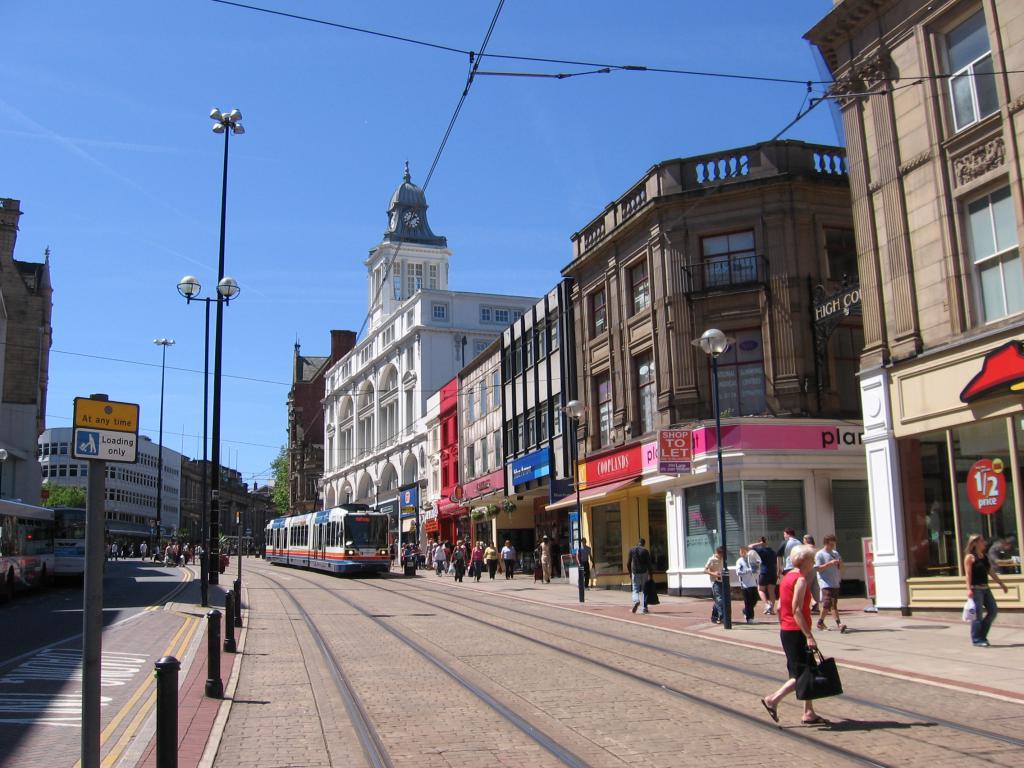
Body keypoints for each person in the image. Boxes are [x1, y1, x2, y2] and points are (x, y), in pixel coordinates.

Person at [760, 544, 828, 726]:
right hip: (797, 631)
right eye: (812, 559)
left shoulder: (787, 578)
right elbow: (796, 609)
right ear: (805, 561)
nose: (813, 563)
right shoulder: (801, 580)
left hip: (787, 630)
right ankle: (772, 700)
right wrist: (809, 635)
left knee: (806, 671)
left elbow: (781, 607)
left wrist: (784, 624)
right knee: (802, 674)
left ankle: (809, 712)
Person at [965, 534, 1008, 647]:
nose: (984, 543)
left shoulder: (984, 557)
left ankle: (982, 636)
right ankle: (977, 639)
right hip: (976, 589)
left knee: (993, 611)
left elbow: (991, 572)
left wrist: (1001, 584)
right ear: (975, 543)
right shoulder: (970, 557)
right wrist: (968, 589)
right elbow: (968, 574)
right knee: (977, 616)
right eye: (982, 541)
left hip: (986, 588)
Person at [815, 535, 846, 633]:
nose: (833, 546)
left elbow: (842, 568)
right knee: (828, 602)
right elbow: (818, 568)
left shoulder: (836, 553)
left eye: (834, 544)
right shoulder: (820, 554)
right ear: (826, 543)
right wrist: (830, 563)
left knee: (832, 604)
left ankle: (820, 622)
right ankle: (839, 624)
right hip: (825, 582)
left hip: (835, 582)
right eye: (831, 544)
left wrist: (840, 564)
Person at [751, 536, 777, 615]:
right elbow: (776, 563)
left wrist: (759, 544)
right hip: (773, 572)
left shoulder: (761, 550)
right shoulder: (772, 551)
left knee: (760, 589)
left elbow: (750, 546)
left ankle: (767, 604)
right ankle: (771, 609)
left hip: (764, 572)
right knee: (771, 591)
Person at [627, 538, 653, 614]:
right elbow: (649, 564)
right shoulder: (645, 551)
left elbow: (628, 563)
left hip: (635, 572)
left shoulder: (632, 550)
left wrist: (630, 572)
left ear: (638, 543)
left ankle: (636, 601)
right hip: (644, 572)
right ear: (644, 543)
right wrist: (651, 574)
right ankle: (645, 608)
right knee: (645, 590)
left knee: (635, 589)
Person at [737, 545, 760, 624]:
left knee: (755, 600)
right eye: (741, 552)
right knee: (748, 602)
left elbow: (758, 566)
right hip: (745, 585)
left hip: (753, 583)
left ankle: (745, 611)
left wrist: (757, 568)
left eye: (744, 551)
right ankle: (750, 618)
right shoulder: (739, 561)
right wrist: (748, 570)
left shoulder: (751, 560)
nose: (742, 553)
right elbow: (738, 572)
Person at [703, 546, 725, 624]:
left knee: (719, 600)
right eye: (722, 554)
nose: (723, 556)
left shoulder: (723, 559)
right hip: (715, 582)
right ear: (718, 553)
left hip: (723, 581)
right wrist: (714, 573)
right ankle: (723, 618)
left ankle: (714, 617)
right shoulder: (711, 559)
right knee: (719, 600)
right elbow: (705, 570)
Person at [803, 535, 820, 610]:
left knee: (805, 587)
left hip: (808, 569)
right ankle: (816, 606)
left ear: (806, 540)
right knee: (815, 588)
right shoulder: (817, 549)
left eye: (803, 539)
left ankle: (812, 602)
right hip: (817, 569)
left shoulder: (805, 549)